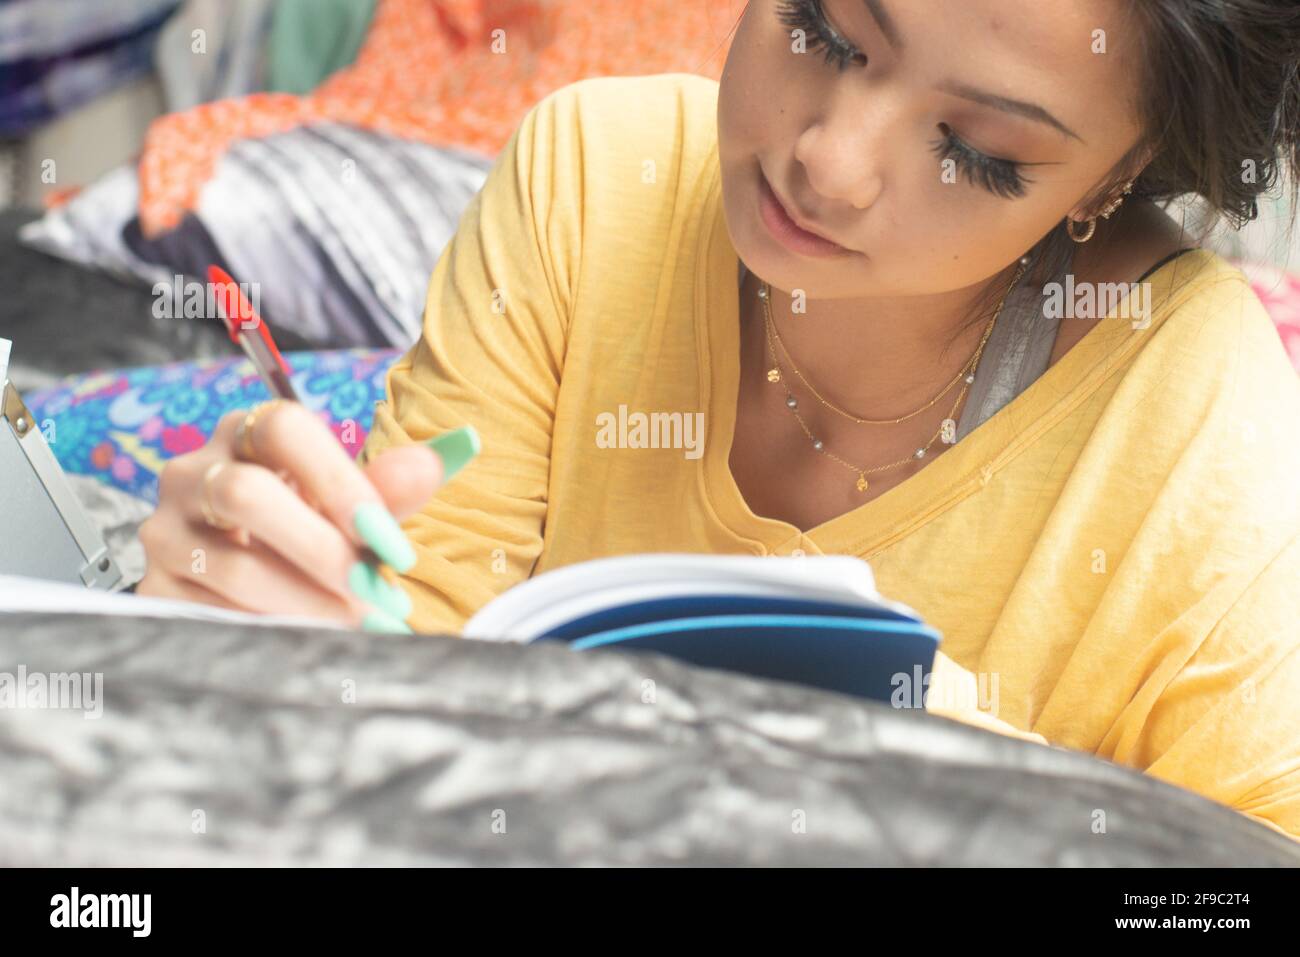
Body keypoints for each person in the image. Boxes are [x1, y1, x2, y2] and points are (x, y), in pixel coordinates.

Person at [138, 1, 1300, 842]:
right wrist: (262, 613)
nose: (828, 162)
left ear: (1117, 174)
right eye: (825, 31)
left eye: (977, 154)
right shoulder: (591, 182)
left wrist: (916, 763)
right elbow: (402, 658)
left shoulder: (1195, 407)